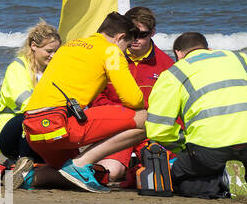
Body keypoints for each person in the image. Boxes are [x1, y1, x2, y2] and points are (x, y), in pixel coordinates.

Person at [17, 11, 148, 192]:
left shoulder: (68, 46)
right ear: (120, 37)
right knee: (144, 119)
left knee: (76, 176)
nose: (126, 53)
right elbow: (133, 100)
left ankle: (33, 177)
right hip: (58, 125)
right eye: (126, 47)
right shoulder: (110, 51)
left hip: (33, 130)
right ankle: (80, 164)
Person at [145, 32, 247, 199]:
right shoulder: (239, 59)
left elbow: (158, 129)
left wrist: (182, 145)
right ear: (209, 49)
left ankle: (221, 185)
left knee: (178, 175)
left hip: (210, 151)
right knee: (236, 161)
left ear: (178, 54)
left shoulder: (174, 73)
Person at [91, 6, 176, 185]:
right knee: (109, 173)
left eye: (142, 35)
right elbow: (95, 98)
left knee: (163, 171)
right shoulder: (109, 57)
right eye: (132, 34)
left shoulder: (166, 65)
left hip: (149, 131)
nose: (136, 39)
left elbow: (173, 106)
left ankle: (135, 167)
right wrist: (121, 115)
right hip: (115, 129)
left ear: (153, 33)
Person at [0, 20, 60, 161]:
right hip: (5, 129)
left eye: (57, 51)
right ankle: (24, 163)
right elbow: (24, 101)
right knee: (32, 118)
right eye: (49, 51)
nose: (54, 56)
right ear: (33, 46)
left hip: (40, 124)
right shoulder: (18, 67)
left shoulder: (54, 71)